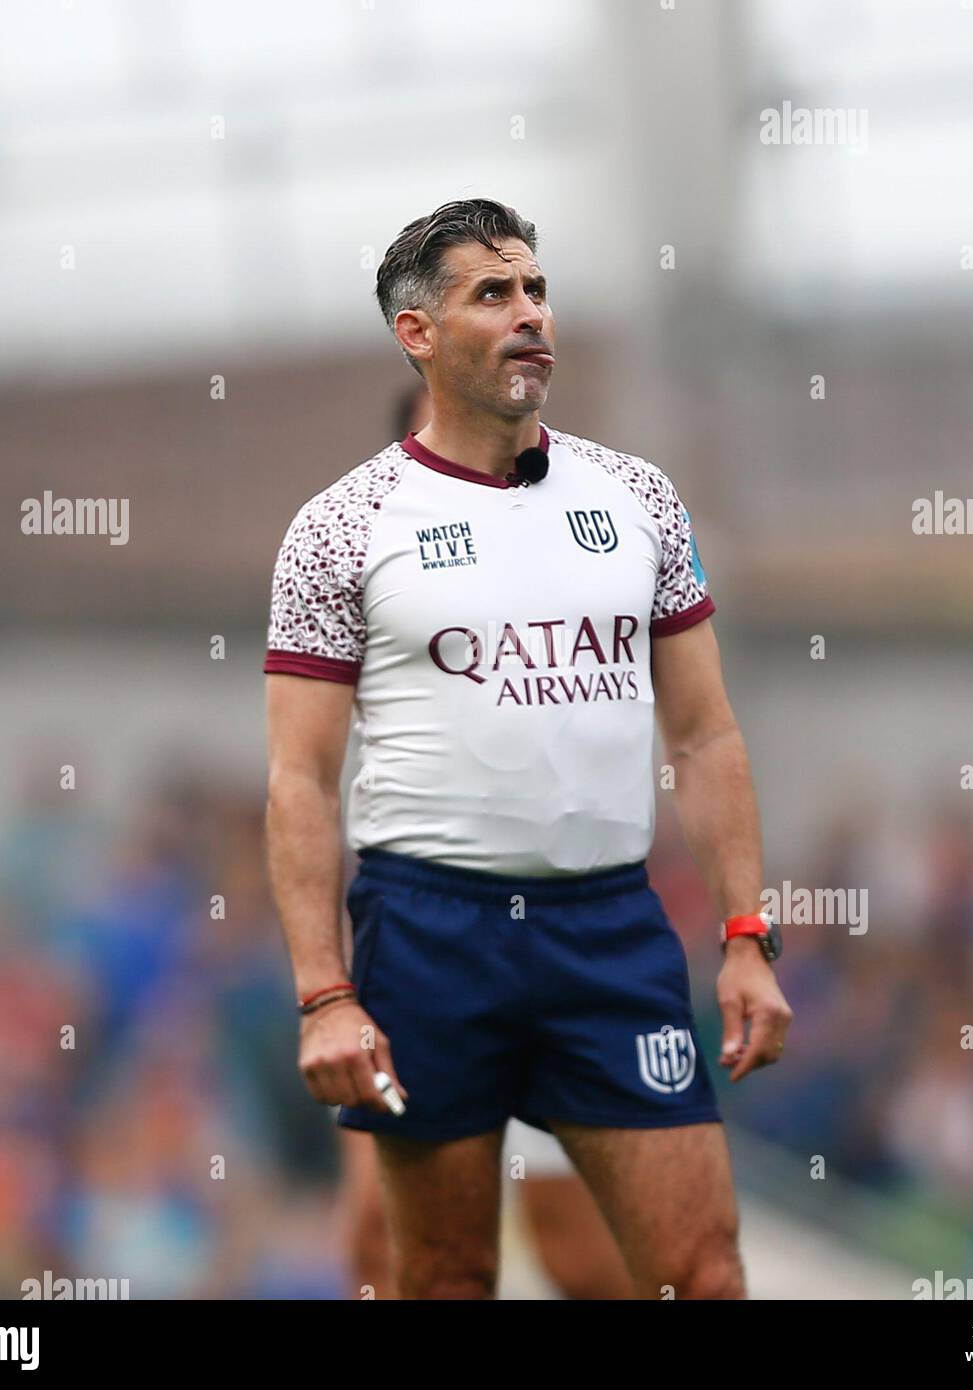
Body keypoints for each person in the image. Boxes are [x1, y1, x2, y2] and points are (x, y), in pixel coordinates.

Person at [264, 198, 792, 1299]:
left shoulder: (637, 496)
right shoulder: (339, 527)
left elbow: (701, 735)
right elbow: (300, 781)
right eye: (492, 294)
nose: (528, 315)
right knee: (442, 1275)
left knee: (701, 1273)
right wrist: (323, 994)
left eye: (537, 289)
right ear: (416, 334)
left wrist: (746, 934)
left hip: (607, 932)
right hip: (428, 934)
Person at [335, 380, 633, 1299]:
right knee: (380, 1234)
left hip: (553, 944)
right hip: (417, 947)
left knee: (581, 1249)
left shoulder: (572, 568)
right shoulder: (363, 566)